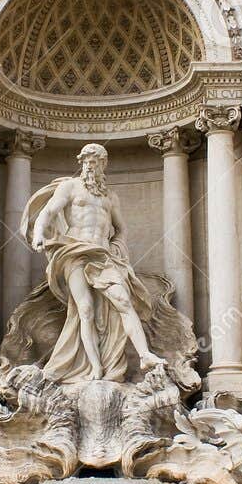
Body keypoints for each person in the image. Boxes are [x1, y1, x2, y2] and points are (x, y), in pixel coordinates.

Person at [22, 142, 162, 385]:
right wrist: (38, 235)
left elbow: (121, 229)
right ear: (81, 164)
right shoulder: (70, 187)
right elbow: (48, 211)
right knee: (84, 310)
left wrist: (118, 247)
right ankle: (95, 368)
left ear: (102, 165)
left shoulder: (110, 197)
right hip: (74, 252)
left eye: (94, 162)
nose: (89, 166)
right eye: (86, 161)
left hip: (103, 255)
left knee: (124, 301)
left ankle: (145, 355)